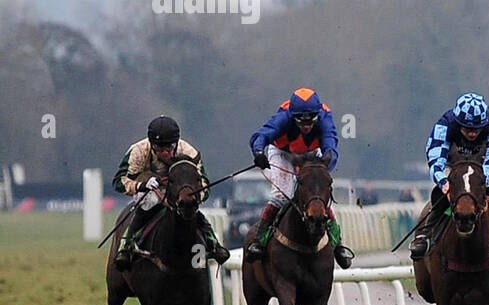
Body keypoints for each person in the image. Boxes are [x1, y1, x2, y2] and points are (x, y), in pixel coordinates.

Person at [409, 92, 489, 260]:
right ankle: (425, 236)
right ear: (458, 123)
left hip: (483, 166)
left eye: (477, 129)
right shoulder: (445, 124)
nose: (473, 134)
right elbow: (436, 158)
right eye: (467, 129)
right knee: (440, 195)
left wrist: (481, 182)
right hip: (452, 165)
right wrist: (443, 182)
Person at [246, 87, 354, 268]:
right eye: (301, 122)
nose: (306, 126)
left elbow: (330, 143)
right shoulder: (284, 117)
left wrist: (327, 160)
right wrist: (258, 152)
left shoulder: (325, 117)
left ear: (317, 115)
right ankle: (260, 240)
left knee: (318, 196)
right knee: (282, 195)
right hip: (282, 152)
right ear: (292, 116)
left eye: (310, 121)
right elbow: (261, 135)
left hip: (312, 153)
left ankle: (337, 245)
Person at [112, 115, 229, 270]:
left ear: (176, 143)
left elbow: (205, 184)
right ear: (151, 145)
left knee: (190, 208)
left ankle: (213, 244)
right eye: (159, 149)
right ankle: (125, 247)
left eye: (169, 148)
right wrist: (141, 185)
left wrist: (193, 196)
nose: (165, 153)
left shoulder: (189, 152)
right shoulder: (138, 151)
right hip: (149, 188)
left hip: (179, 190)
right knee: (147, 202)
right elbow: (118, 181)